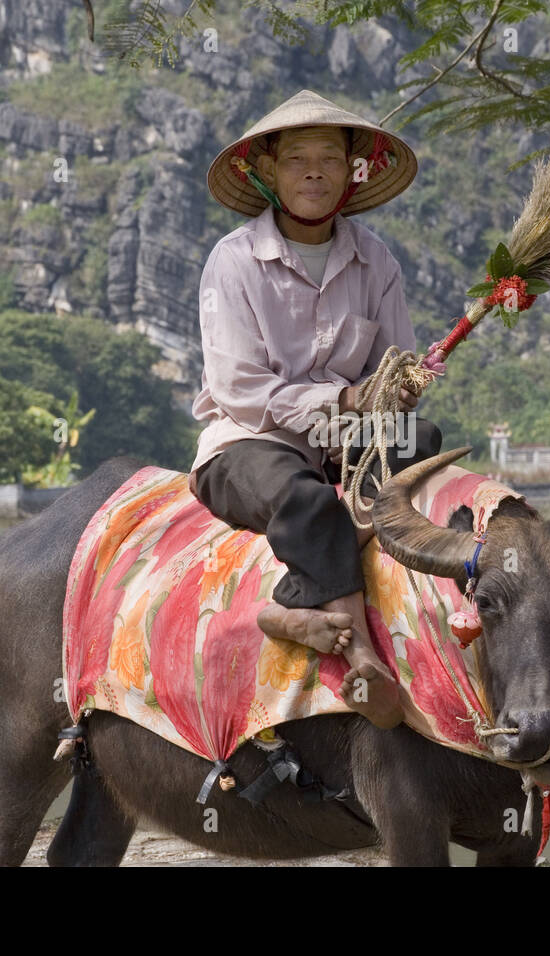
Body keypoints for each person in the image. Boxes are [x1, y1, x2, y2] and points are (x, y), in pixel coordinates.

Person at [189, 90, 445, 729]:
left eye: (329, 159)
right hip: (247, 443)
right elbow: (240, 388)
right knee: (305, 499)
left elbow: (394, 360)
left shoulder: (375, 258)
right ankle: (361, 652)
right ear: (268, 172)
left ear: (351, 172)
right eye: (296, 158)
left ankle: (293, 602)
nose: (313, 171)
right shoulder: (234, 260)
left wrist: (399, 389)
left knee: (423, 439)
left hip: (344, 444)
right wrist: (343, 399)